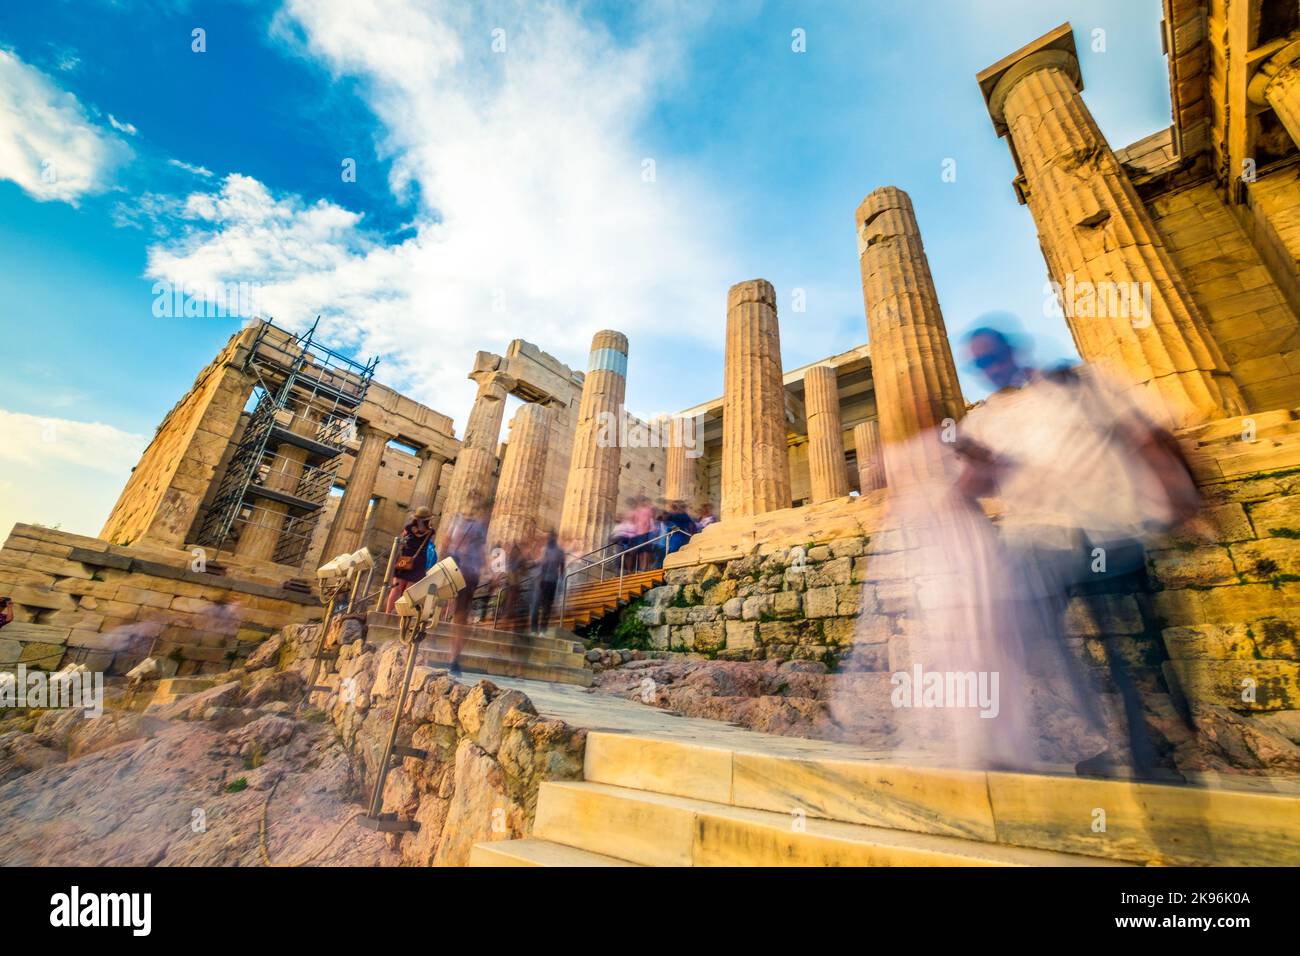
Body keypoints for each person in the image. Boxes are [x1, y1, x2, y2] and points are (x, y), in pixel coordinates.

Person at [956, 322, 1199, 779]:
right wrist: (971, 474)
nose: (991, 368)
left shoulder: (1080, 382)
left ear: (1015, 348)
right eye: (982, 362)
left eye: (994, 356)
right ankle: (1014, 741)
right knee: (1012, 638)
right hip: (1034, 543)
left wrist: (1176, 488)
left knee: (1131, 651)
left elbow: (1144, 433)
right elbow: (976, 484)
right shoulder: (984, 419)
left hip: (1108, 531)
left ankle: (1154, 753)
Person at [446, 496, 489, 673]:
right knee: (461, 615)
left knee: (459, 613)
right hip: (466, 571)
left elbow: (447, 543)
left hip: (463, 571)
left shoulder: (460, 523)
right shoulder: (476, 527)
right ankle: (454, 657)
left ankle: (454, 656)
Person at [384, 507, 435, 614]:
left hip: (405, 559)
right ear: (427, 519)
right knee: (408, 592)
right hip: (419, 561)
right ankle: (400, 614)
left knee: (396, 588)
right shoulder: (430, 531)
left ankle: (388, 613)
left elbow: (402, 541)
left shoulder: (408, 527)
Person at [530, 531, 566, 634]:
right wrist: (561, 578)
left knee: (538, 606)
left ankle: (536, 630)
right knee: (545, 606)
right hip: (550, 581)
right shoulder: (559, 551)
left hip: (543, 581)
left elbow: (542, 564)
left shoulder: (546, 549)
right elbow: (562, 567)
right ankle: (541, 630)